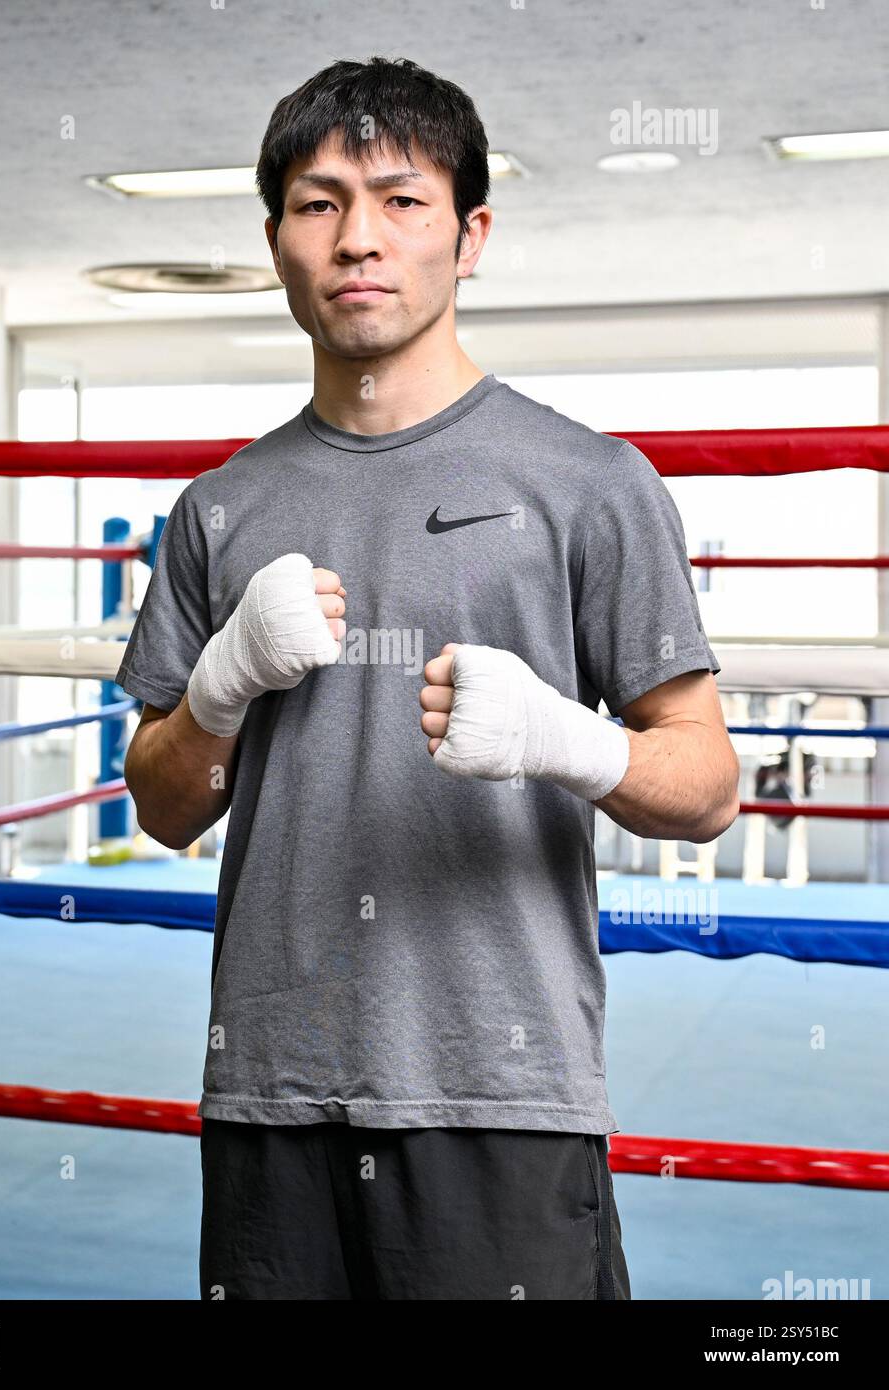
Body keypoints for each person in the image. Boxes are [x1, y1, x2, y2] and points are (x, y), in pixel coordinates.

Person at [117, 55, 740, 1301]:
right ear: (276, 240)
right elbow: (163, 800)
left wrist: (573, 741)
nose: (358, 239)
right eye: (317, 201)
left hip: (498, 1087)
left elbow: (707, 779)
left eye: (401, 200)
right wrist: (221, 689)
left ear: (470, 237)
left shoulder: (588, 483)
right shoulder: (219, 507)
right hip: (271, 1088)